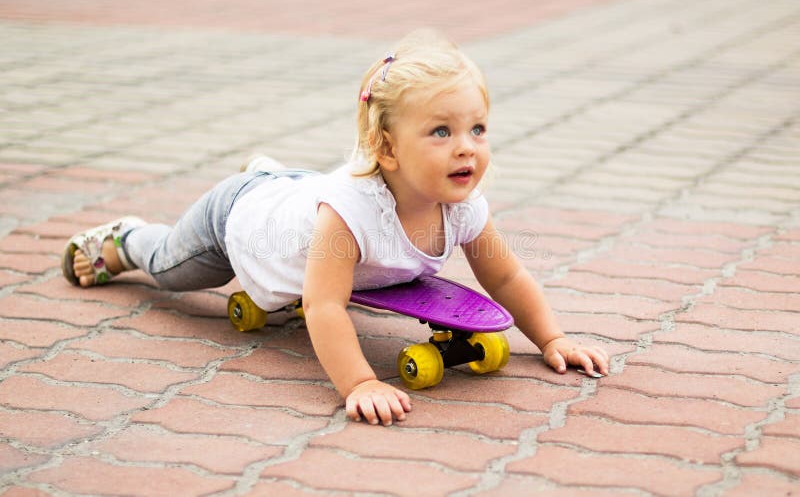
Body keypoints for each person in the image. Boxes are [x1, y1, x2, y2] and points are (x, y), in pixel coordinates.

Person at [63, 29, 610, 427]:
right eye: (441, 131)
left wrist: (551, 337)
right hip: (237, 223)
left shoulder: (462, 206)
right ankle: (123, 240)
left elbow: (508, 278)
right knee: (172, 272)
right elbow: (324, 307)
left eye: (478, 128)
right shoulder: (351, 214)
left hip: (301, 193)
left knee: (299, 190)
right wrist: (360, 381)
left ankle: (270, 173)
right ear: (388, 150)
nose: (467, 145)